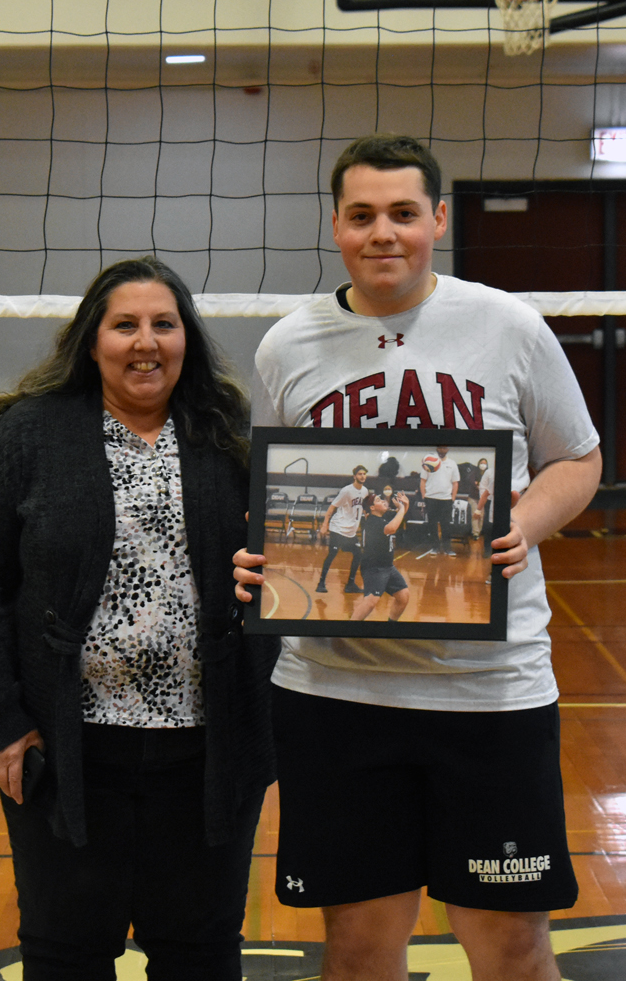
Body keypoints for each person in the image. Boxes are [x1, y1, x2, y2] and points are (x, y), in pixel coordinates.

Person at [234, 134, 601, 981]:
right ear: (336, 227)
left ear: (438, 219)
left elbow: (579, 460)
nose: (383, 233)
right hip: (335, 695)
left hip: (491, 692)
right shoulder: (288, 345)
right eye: (362, 216)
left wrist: (525, 524)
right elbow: (279, 491)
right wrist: (263, 557)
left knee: (511, 945)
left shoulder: (507, 326)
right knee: (359, 947)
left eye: (404, 213)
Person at [0, 256, 278, 980]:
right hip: (68, 753)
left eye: (164, 324)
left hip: (205, 753)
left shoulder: (230, 435)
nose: (145, 342)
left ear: (187, 338)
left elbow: (286, 564)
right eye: (124, 325)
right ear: (91, 340)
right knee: (66, 954)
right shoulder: (29, 434)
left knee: (202, 953)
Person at [349, 493, 411, 621]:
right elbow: (392, 528)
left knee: (403, 596)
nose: (383, 501)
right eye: (378, 500)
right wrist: (402, 509)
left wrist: (405, 505)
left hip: (388, 567)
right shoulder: (372, 522)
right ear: (372, 508)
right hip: (374, 568)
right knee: (370, 602)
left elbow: (399, 517)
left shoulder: (382, 517)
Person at [315, 464, 371, 593]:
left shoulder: (365, 491)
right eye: (360, 474)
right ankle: (321, 583)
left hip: (351, 531)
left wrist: (368, 517)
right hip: (338, 528)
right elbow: (332, 507)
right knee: (332, 554)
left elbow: (363, 508)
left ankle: (350, 584)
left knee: (358, 553)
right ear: (354, 476)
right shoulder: (347, 490)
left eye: (364, 474)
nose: (362, 476)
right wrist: (325, 524)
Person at [419, 444, 459, 556]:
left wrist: (453, 498)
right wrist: (424, 496)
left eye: (445, 447)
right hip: (431, 498)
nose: (442, 450)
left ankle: (447, 548)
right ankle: (434, 547)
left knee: (446, 524)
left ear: (448, 449)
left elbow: (455, 483)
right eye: (440, 447)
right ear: (437, 448)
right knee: (432, 523)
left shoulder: (452, 464)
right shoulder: (428, 461)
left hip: (446, 499)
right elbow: (423, 480)